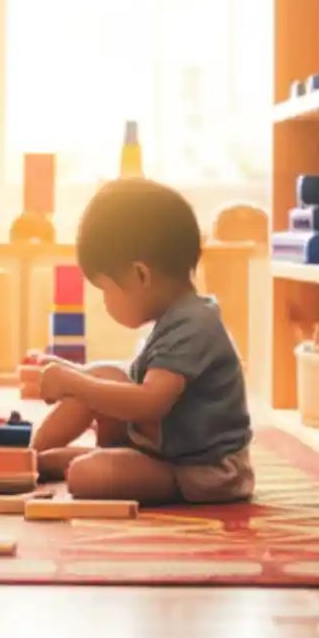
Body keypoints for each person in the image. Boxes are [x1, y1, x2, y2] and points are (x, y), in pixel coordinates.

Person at [28, 177, 254, 505]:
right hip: (163, 445)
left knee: (88, 474)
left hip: (201, 469)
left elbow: (150, 401)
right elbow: (134, 383)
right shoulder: (177, 317)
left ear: (141, 276)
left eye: (105, 289)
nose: (105, 301)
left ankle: (72, 460)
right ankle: (31, 456)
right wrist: (74, 377)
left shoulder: (194, 325)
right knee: (99, 376)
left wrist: (73, 382)